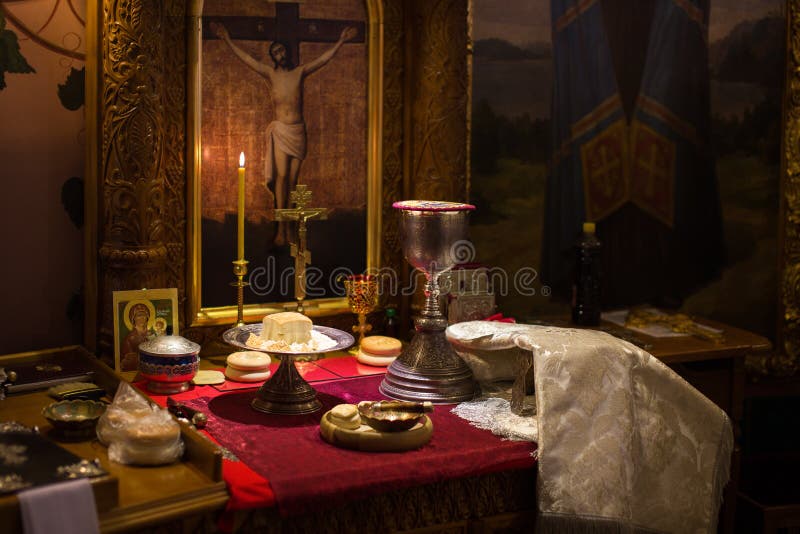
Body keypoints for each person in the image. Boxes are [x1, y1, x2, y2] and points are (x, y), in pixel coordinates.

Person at [211, 23, 357, 245]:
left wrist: (341, 41)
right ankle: (281, 230)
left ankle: (290, 229)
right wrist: (227, 38)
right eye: (276, 52)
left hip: (298, 131)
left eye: (282, 50)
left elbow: (322, 60)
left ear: (286, 52)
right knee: (281, 177)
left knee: (293, 180)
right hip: (281, 131)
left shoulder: (299, 73)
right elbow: (248, 60)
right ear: (273, 57)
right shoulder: (271, 74)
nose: (280, 54)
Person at [120, 303, 151, 371]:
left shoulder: (152, 334)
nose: (142, 318)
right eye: (139, 315)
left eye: (144, 315)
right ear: (133, 319)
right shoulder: (130, 338)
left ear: (147, 317)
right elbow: (127, 357)